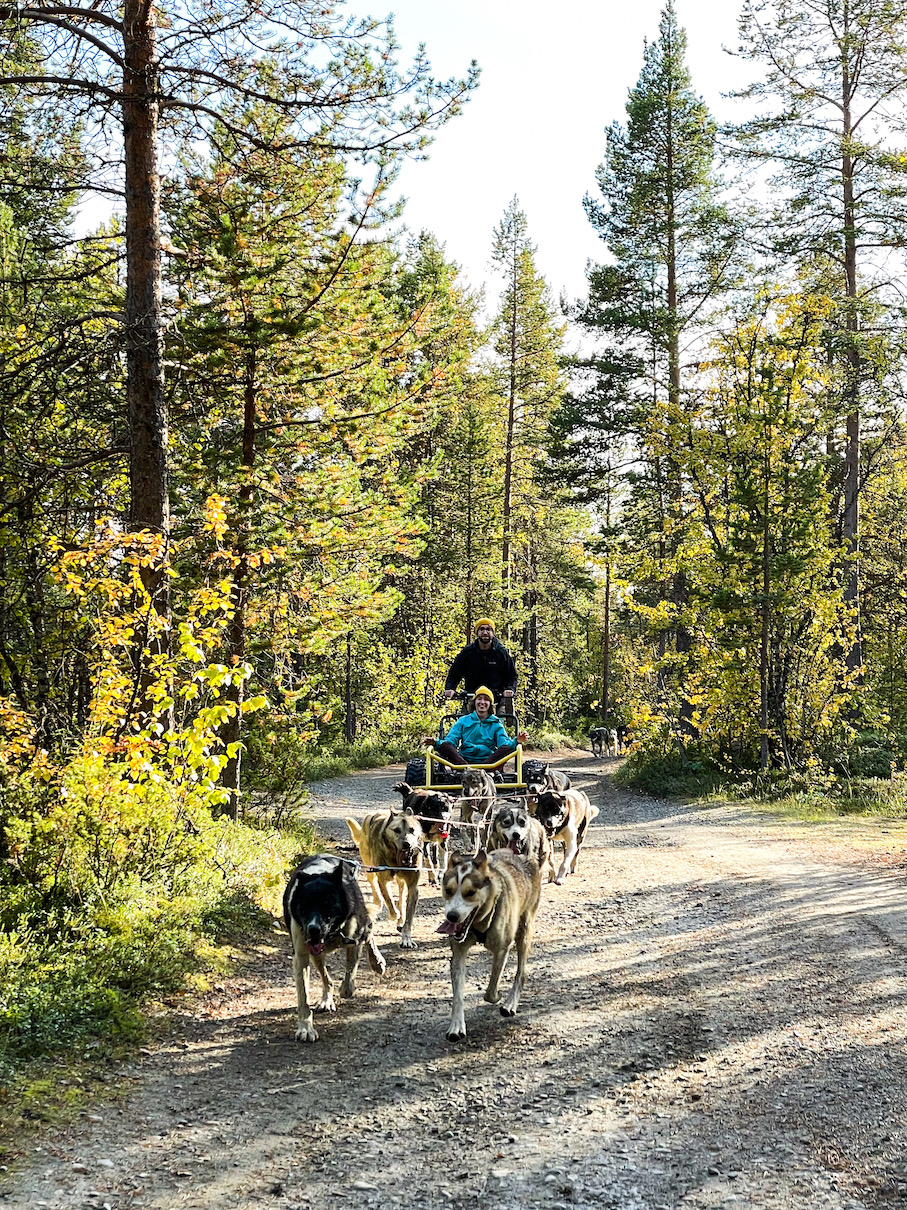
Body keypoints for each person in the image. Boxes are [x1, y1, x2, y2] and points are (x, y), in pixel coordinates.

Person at [424, 687, 527, 767]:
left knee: (506, 748)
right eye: (479, 699)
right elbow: (451, 740)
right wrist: (436, 743)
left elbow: (504, 744)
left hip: (489, 762)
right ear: (474, 702)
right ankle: (467, 769)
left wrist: (517, 740)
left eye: (486, 700)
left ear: (490, 704)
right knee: (446, 745)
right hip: (463, 761)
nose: (482, 702)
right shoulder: (463, 721)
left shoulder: (496, 723)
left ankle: (482, 769)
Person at [444, 618, 517, 706]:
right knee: (464, 719)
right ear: (477, 632)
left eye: (488, 629)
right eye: (481, 629)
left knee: (502, 718)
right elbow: (454, 673)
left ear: (493, 633)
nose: (485, 632)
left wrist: (510, 689)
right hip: (472, 699)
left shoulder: (501, 653)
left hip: (496, 700)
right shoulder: (467, 652)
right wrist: (450, 688)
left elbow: (511, 675)